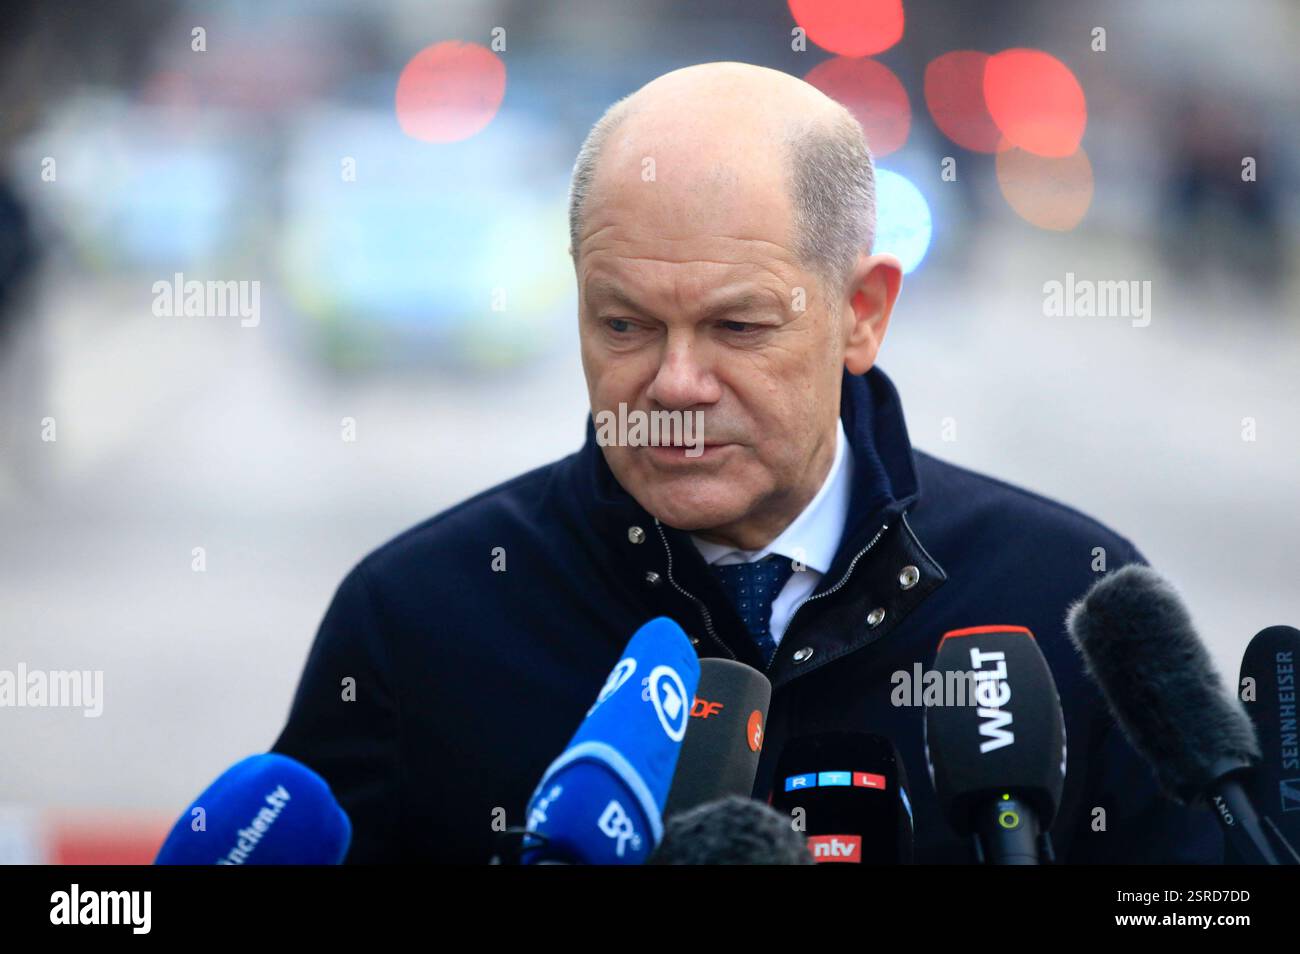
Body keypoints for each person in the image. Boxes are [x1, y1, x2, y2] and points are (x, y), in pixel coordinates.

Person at [272, 61, 1220, 863]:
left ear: (864, 314)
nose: (676, 384)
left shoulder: (1067, 599)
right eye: (624, 324)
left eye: (737, 325)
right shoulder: (415, 619)